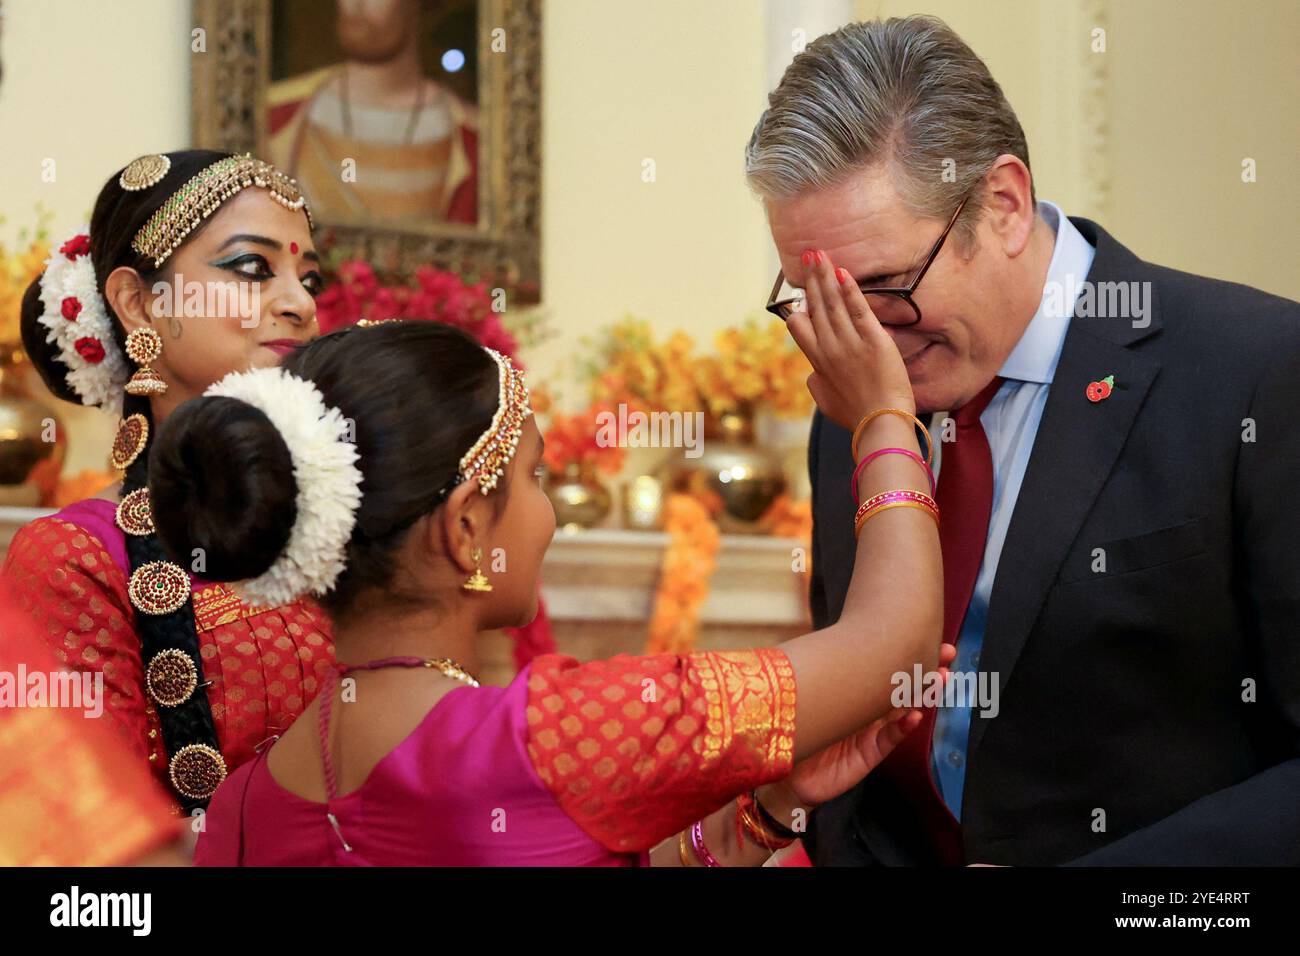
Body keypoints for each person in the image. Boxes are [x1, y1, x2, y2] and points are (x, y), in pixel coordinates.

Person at [746, 15, 1300, 865]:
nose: (863, 338)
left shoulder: (1253, 371)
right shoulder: (855, 407)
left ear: (1002, 205)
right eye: (820, 300)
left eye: (888, 287)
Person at [160, 302, 943, 866]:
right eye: (535, 475)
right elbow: (894, 645)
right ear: (467, 526)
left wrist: (772, 808)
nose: (550, 516)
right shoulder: (553, 734)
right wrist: (880, 418)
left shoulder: (244, 803)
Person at [2, 150, 332, 811]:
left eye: (310, 279)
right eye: (252, 268)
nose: (300, 304)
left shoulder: (339, 524)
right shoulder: (76, 557)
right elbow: (92, 832)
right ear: (138, 303)